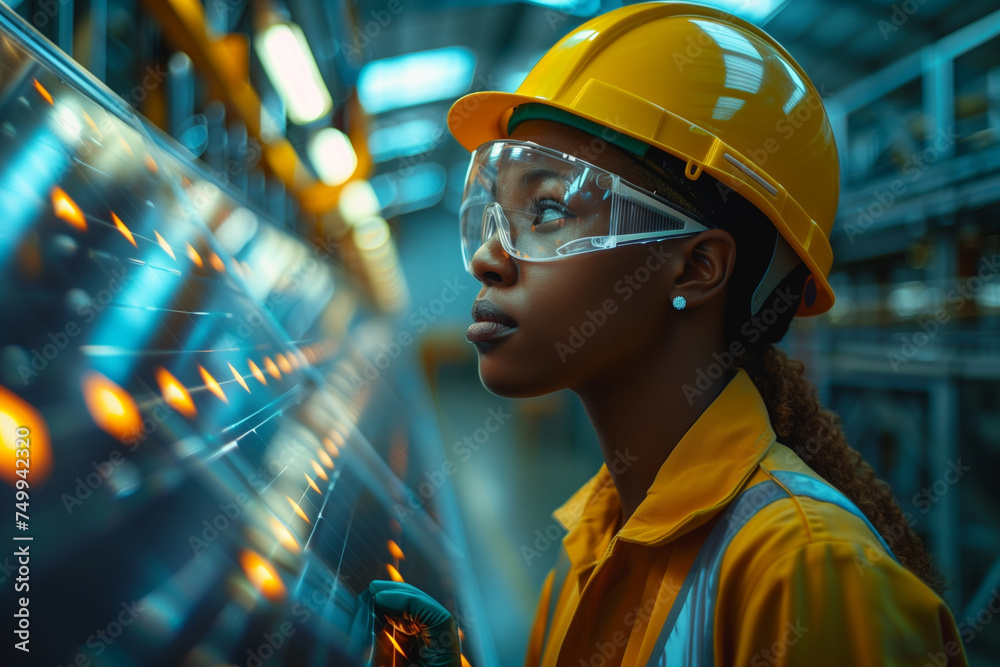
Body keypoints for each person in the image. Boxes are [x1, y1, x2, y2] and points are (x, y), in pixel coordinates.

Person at [365, 2, 969, 665]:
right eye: (495, 210)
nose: (489, 256)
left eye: (546, 209)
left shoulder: (808, 576)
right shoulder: (593, 537)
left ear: (697, 266)